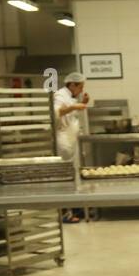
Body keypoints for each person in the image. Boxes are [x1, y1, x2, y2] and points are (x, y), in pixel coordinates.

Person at [54, 71, 90, 222]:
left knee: (73, 175)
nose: (81, 90)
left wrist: (82, 103)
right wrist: (75, 106)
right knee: (64, 176)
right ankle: (65, 213)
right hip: (63, 140)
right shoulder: (60, 94)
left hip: (70, 139)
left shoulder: (70, 96)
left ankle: (75, 209)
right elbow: (57, 111)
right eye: (80, 87)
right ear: (72, 84)